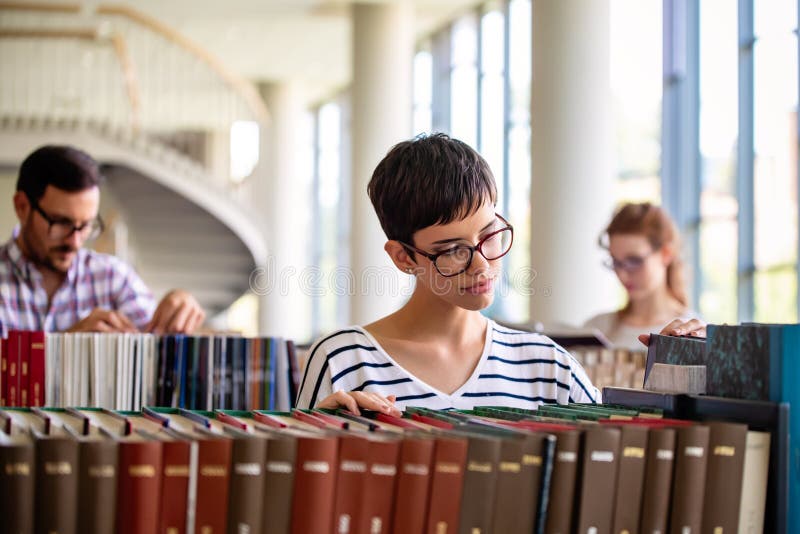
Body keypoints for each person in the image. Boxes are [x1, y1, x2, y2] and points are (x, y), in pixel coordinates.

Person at [296, 133, 605, 416]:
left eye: (490, 235)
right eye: (454, 250)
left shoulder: (548, 366)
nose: (481, 265)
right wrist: (319, 431)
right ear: (404, 257)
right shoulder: (342, 359)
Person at [0, 145, 205, 337]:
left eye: (86, 225)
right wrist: (65, 348)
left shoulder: (113, 278)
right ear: (22, 207)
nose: (75, 240)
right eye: (61, 222)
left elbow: (159, 346)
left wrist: (178, 310)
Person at [584, 202, 700, 350]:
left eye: (634, 261)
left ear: (666, 254)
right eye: (616, 262)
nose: (622, 275)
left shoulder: (692, 332)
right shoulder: (595, 330)